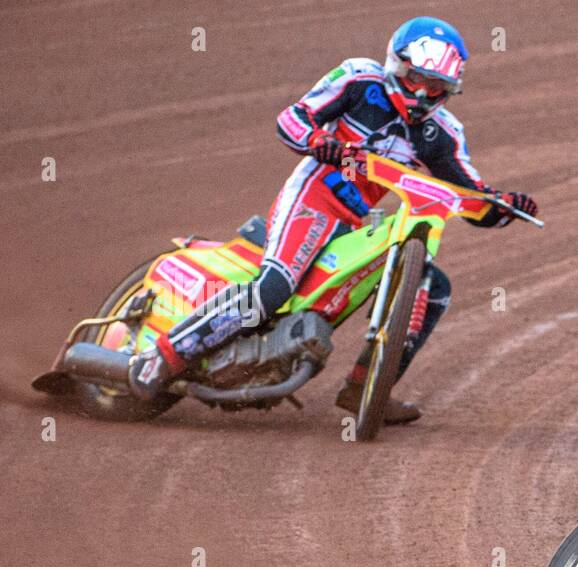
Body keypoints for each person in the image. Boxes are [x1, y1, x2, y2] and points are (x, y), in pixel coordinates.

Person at [128, 16, 538, 423]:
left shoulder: (443, 133)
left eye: (437, 88)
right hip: (312, 198)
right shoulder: (360, 79)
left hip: (358, 221)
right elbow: (291, 119)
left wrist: (504, 206)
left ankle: (365, 389)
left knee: (434, 288)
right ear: (398, 65)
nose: (424, 94)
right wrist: (317, 140)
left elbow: (470, 197)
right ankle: (160, 358)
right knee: (274, 288)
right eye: (418, 80)